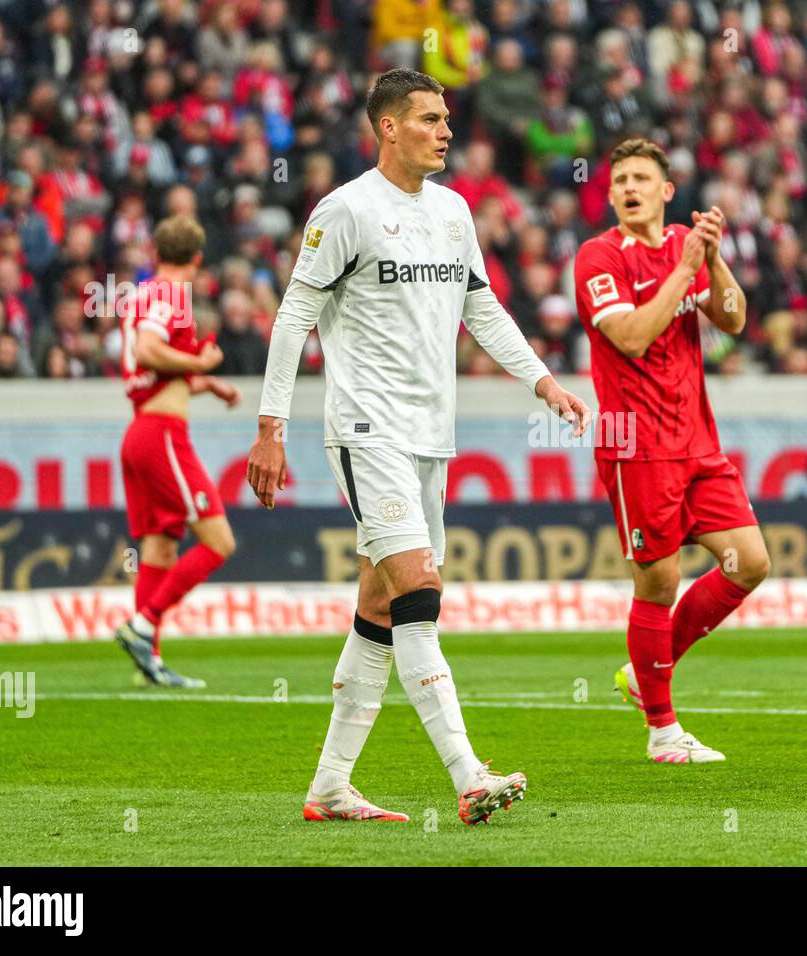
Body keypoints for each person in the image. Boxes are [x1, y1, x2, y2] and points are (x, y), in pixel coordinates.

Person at [246, 70, 590, 825]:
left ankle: (331, 785)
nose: (446, 132)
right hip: (367, 430)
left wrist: (544, 383)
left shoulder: (454, 212)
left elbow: (484, 310)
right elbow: (292, 316)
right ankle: (468, 774)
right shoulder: (347, 211)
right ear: (388, 128)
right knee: (420, 593)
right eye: (430, 120)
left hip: (433, 434)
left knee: (378, 604)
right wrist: (271, 427)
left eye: (446, 120)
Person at [573, 138, 771, 764]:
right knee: (658, 582)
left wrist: (712, 261)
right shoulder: (597, 257)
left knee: (750, 562)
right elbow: (630, 337)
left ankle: (643, 672)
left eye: (641, 178)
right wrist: (686, 269)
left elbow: (734, 320)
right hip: (636, 444)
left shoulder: (687, 244)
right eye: (619, 179)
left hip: (698, 441)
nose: (628, 186)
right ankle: (663, 731)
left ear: (666, 190)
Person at [114, 215, 240, 689]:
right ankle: (143, 626)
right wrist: (201, 361)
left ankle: (150, 660)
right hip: (163, 434)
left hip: (141, 430)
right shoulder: (171, 295)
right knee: (219, 541)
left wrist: (206, 383)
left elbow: (152, 366)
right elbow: (149, 350)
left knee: (161, 544)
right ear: (198, 258)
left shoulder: (141, 295)